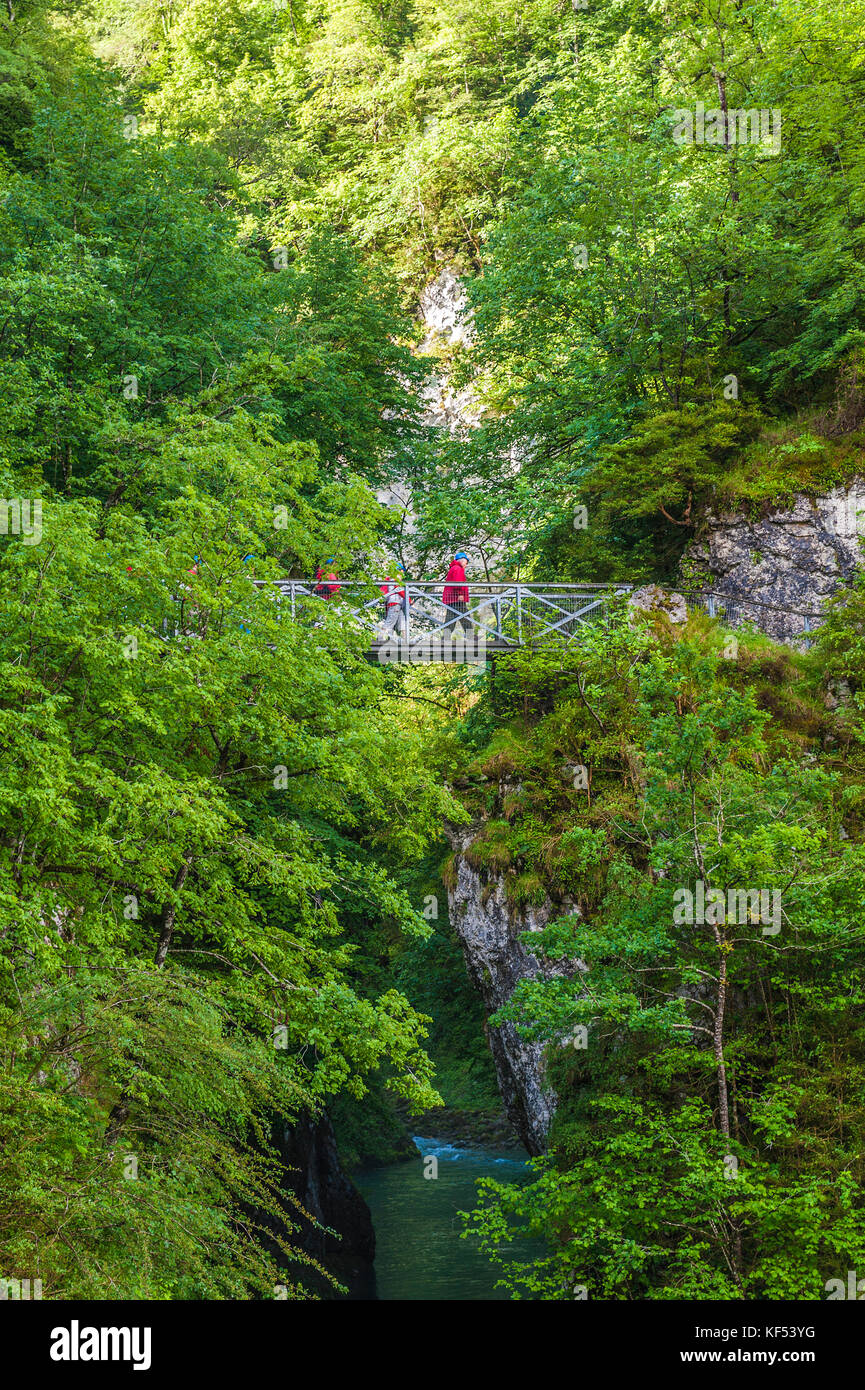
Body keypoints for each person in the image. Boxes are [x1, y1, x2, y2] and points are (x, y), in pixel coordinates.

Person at [442, 551, 472, 635]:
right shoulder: (457, 568)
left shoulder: (454, 568)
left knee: (451, 619)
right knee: (465, 617)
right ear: (462, 560)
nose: (466, 565)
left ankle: (446, 637)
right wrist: (460, 594)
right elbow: (458, 583)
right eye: (466, 562)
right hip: (456, 597)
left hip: (452, 598)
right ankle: (470, 636)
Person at [380, 565, 409, 639]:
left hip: (398, 604)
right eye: (401, 572)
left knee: (402, 622)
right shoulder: (395, 579)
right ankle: (379, 637)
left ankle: (406, 638)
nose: (402, 574)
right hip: (395, 603)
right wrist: (409, 599)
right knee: (390, 621)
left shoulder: (393, 579)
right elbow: (399, 590)